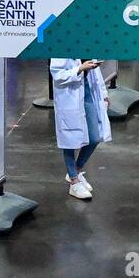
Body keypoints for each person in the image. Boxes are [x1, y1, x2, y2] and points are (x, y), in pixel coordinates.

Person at [51, 57, 112, 201]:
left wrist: (104, 93)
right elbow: (57, 75)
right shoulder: (60, 45)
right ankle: (73, 180)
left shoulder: (85, 42)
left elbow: (96, 75)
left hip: (88, 93)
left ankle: (76, 170)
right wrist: (79, 69)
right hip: (69, 94)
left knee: (95, 137)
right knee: (69, 141)